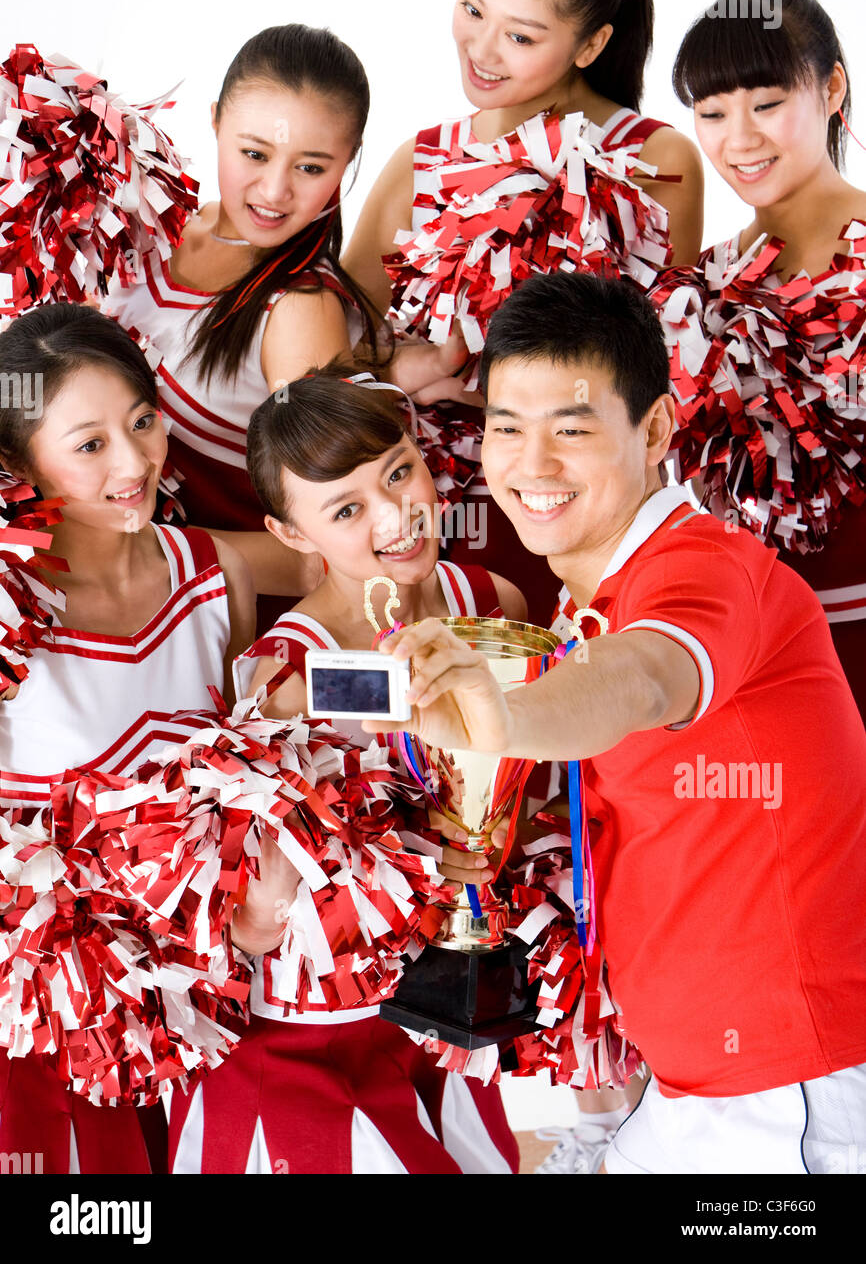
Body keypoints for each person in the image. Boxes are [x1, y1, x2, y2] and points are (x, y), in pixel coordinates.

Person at [372, 270, 866, 1175]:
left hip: (783, 1086)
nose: (531, 465)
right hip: (686, 1083)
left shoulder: (704, 572)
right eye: (507, 430)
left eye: (571, 429)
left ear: (656, 431)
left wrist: (496, 716)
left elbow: (638, 681)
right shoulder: (580, 606)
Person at [165, 364, 524, 1174]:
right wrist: (424, 852)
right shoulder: (283, 674)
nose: (397, 514)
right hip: (315, 1031)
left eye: (400, 471)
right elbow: (258, 900)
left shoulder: (493, 599)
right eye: (346, 509)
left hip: (449, 1000)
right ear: (292, 534)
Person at [344, 0, 703, 622]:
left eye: (521, 35)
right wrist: (399, 369)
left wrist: (488, 398)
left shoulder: (658, 160)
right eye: (473, 9)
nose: (480, 49)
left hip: (589, 515)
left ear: (592, 45)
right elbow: (330, 356)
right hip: (436, 524)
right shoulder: (423, 161)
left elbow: (664, 372)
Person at [0, 303, 258, 1173]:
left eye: (142, 421)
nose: (136, 461)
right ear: (15, 463)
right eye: (89, 444)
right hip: (48, 1025)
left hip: (209, 1008)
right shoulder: (7, 613)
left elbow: (355, 556)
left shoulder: (215, 572)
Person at [103, 23, 381, 631]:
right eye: (253, 154)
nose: (274, 191)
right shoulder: (148, 228)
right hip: (99, 601)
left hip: (209, 630)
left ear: (348, 162)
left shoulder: (300, 309)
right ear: (214, 122)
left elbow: (327, 554)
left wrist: (120, 547)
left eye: (312, 167)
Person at [652, 0, 866, 718]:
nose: (738, 139)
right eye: (711, 113)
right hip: (732, 659)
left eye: (767, 104)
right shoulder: (696, 287)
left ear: (832, 88)